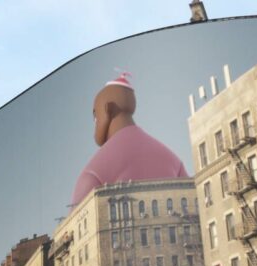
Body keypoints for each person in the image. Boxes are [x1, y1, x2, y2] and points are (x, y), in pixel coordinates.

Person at [70, 71, 187, 206]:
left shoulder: (92, 175)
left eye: (95, 116)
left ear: (108, 109)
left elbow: (76, 222)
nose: (95, 122)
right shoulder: (174, 162)